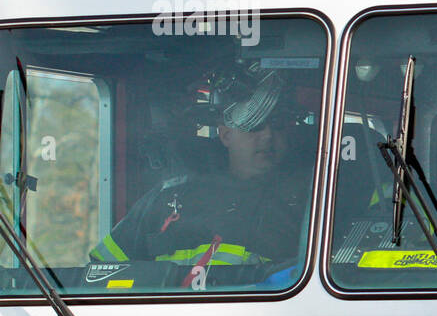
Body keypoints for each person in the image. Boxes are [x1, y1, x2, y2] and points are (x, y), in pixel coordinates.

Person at [88, 61, 310, 276]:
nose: (268, 135)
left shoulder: (312, 203)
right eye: (254, 126)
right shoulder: (167, 199)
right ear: (225, 134)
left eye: (278, 125)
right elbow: (101, 274)